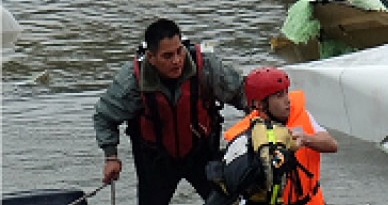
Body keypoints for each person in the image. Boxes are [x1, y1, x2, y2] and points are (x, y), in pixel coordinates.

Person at [94, 18, 246, 205]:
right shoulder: (132, 81)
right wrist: (111, 157)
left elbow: (242, 94)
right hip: (156, 160)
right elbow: (104, 117)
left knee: (230, 201)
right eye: (167, 56)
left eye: (179, 51)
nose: (177, 61)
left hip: (202, 153)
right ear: (151, 57)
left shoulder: (207, 68)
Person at [210, 67, 338, 205]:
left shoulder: (300, 114)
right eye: (279, 96)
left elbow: (332, 145)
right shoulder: (245, 138)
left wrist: (306, 139)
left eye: (286, 92)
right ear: (260, 104)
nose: (287, 100)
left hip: (314, 200)